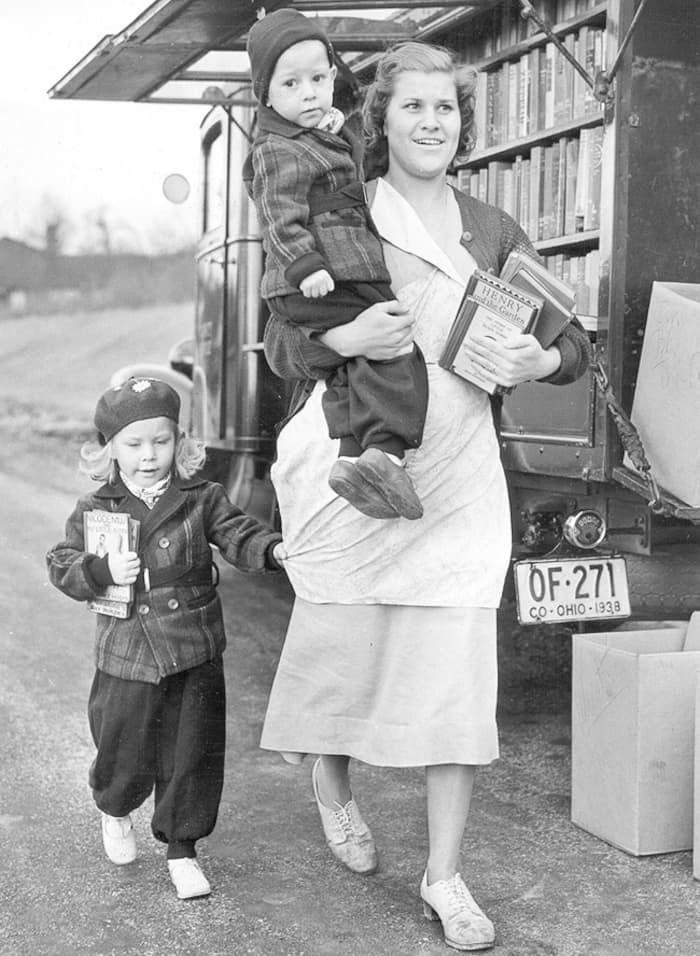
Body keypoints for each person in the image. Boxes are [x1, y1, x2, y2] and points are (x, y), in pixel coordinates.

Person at [259, 42, 591, 952]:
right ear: (382, 121)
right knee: (342, 651)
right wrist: (347, 335)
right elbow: (286, 346)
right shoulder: (341, 209)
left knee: (455, 684)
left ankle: (445, 875)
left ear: (463, 124)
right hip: (355, 468)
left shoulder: (493, 230)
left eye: (447, 108)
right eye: (414, 107)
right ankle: (331, 783)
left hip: (458, 475)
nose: (432, 122)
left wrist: (541, 357)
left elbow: (577, 348)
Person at [46, 377, 285, 901]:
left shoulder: (203, 498)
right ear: (110, 450)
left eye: (162, 440)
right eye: (133, 444)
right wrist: (100, 568)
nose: (149, 456)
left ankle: (182, 848)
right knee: (123, 752)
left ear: (180, 442)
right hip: (127, 652)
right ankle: (114, 806)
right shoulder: (96, 506)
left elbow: (239, 532)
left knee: (192, 751)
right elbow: (61, 563)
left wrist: (272, 550)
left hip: (193, 647)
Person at [243, 7, 428, 521]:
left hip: (333, 271)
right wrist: (305, 266)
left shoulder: (315, 137)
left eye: (320, 79)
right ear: (267, 95)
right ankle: (384, 455)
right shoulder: (275, 148)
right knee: (395, 349)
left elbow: (347, 172)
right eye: (292, 83)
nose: (310, 93)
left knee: (358, 364)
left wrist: (334, 131)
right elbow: (278, 215)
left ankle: (353, 460)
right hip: (324, 274)